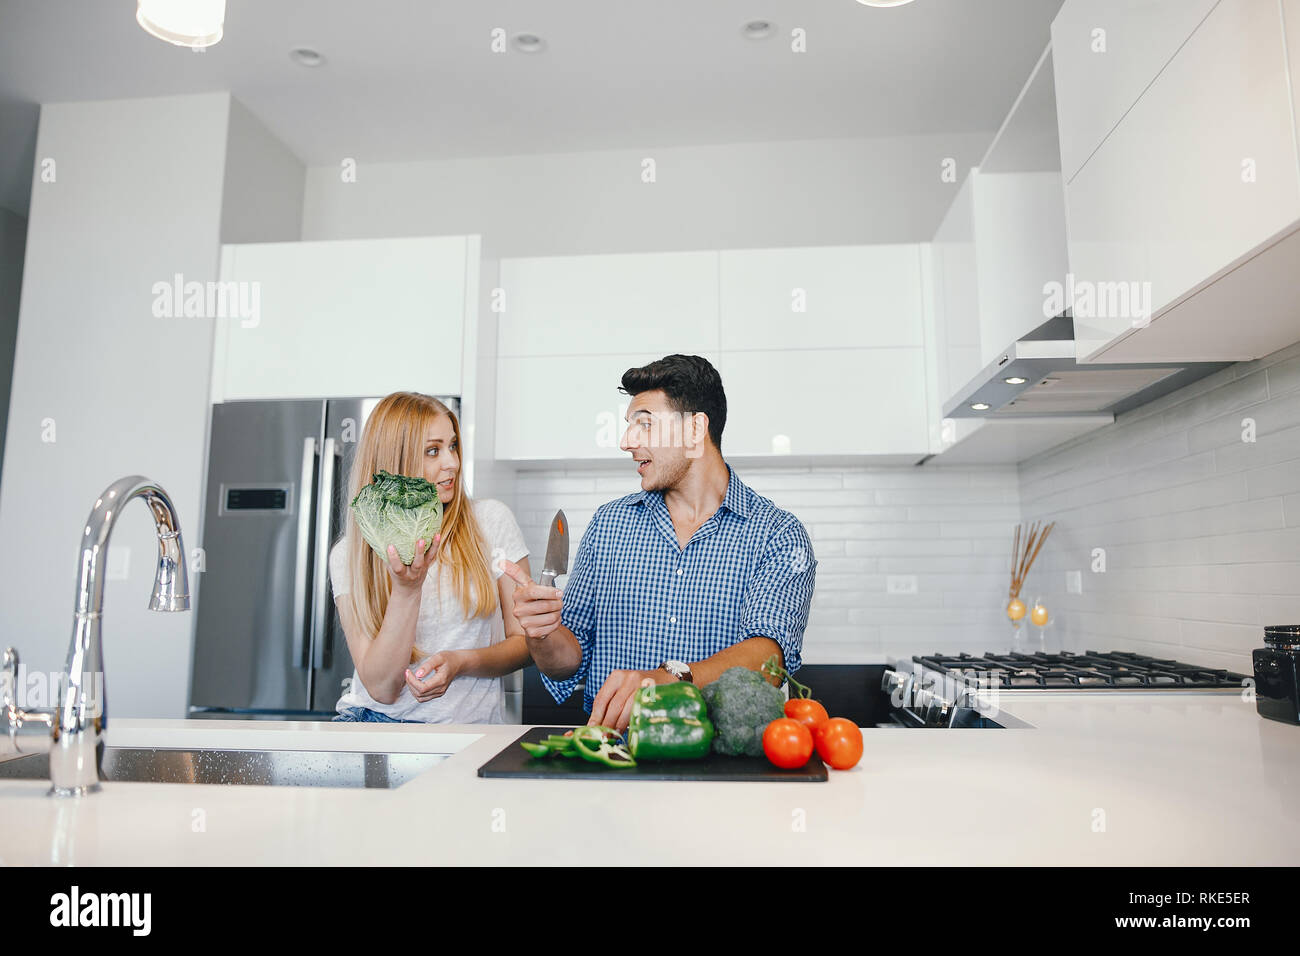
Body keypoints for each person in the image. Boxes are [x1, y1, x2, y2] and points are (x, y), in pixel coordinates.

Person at [502, 354, 817, 732]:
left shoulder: (777, 534)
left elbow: (768, 660)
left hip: (722, 758)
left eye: (645, 425)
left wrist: (667, 679)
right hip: (615, 751)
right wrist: (543, 632)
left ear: (696, 429)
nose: (625, 442)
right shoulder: (610, 524)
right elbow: (567, 659)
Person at [329, 391, 531, 723]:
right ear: (394, 464)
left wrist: (461, 661)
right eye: (432, 451)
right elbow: (382, 688)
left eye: (452, 446)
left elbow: (525, 644)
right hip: (373, 726)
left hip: (467, 735)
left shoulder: (490, 522)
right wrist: (407, 590)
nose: (452, 462)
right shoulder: (350, 555)